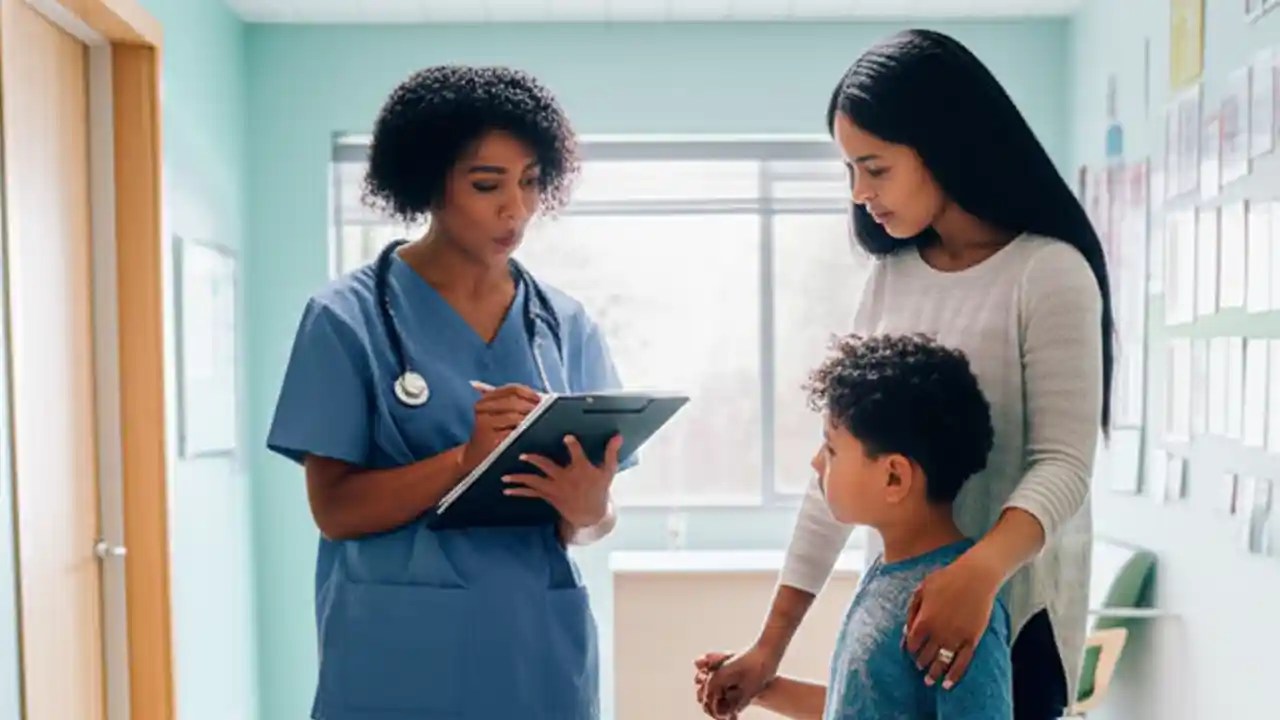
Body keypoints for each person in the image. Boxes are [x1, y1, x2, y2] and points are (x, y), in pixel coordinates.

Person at [696, 28, 1108, 720]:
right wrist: (769, 649)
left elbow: (1064, 465)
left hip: (1010, 608)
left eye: (875, 167)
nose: (859, 193)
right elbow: (835, 465)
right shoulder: (889, 279)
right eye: (849, 171)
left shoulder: (1048, 272)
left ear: (942, 144)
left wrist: (976, 574)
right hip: (906, 597)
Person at [266, 65, 633, 720]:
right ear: (428, 181)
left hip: (537, 649)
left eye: (529, 182)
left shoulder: (565, 324)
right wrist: (465, 460)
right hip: (399, 652)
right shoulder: (346, 319)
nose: (514, 208)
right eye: (487, 184)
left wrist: (589, 508)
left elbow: (592, 520)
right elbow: (335, 510)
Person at [696, 333, 1012, 719]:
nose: (816, 463)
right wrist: (763, 690)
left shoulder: (954, 616)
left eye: (831, 449)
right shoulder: (888, 574)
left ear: (894, 478)